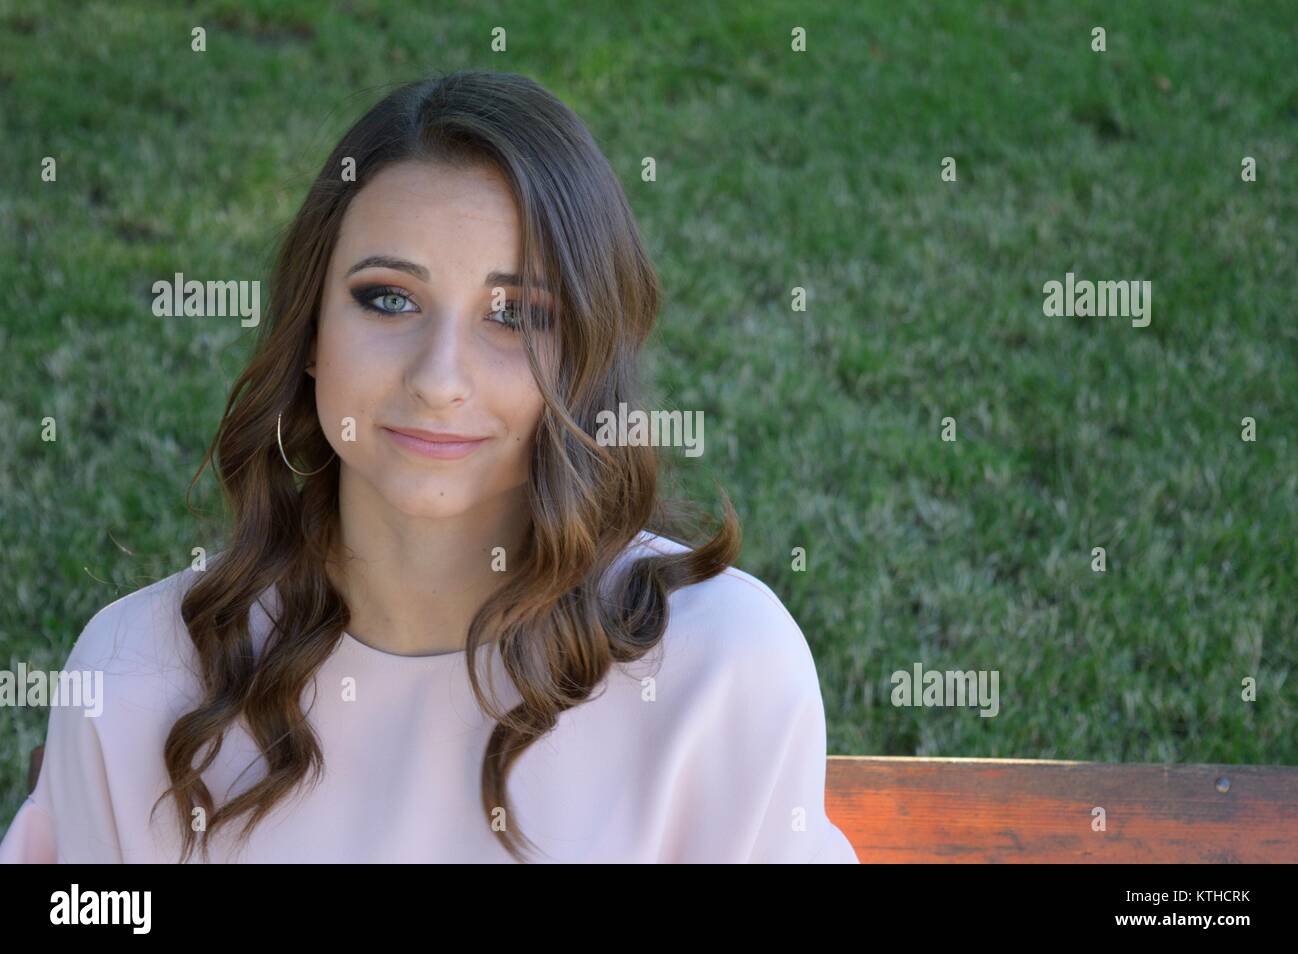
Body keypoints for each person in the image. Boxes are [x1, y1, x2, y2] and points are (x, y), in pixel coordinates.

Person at [0, 70, 859, 864]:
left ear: (588, 358)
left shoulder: (720, 674)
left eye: (517, 314)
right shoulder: (136, 673)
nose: (439, 379)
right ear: (308, 333)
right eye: (389, 298)